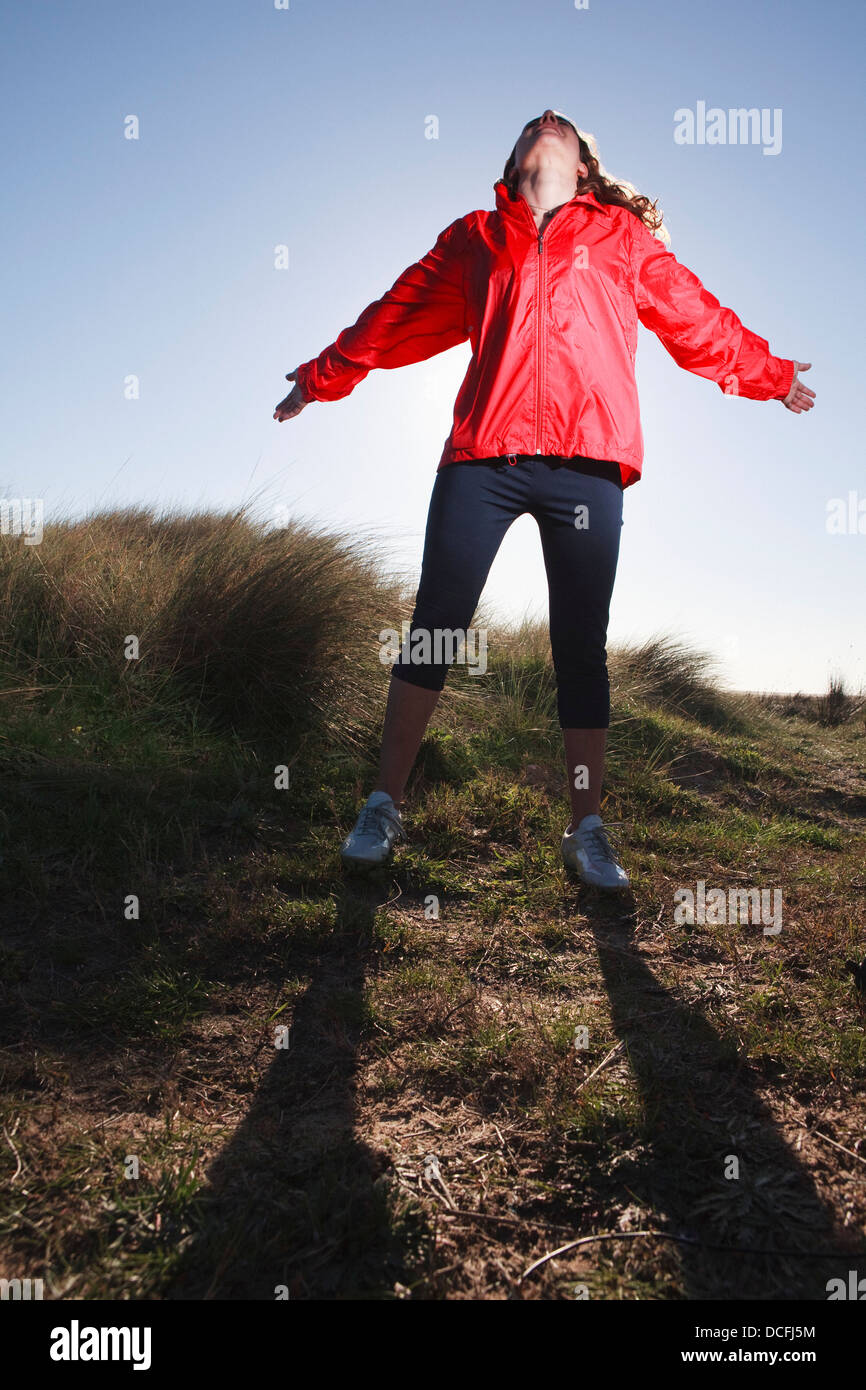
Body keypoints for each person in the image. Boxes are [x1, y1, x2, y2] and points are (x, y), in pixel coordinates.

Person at [273, 109, 815, 890]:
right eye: (534, 124)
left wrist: (772, 375)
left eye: (562, 126)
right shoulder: (473, 237)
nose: (548, 121)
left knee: (579, 643)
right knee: (435, 625)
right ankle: (382, 806)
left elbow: (699, 320)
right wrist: (322, 376)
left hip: (588, 464)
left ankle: (586, 827)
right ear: (517, 158)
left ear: (585, 169)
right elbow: (390, 317)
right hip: (482, 458)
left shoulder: (622, 240)